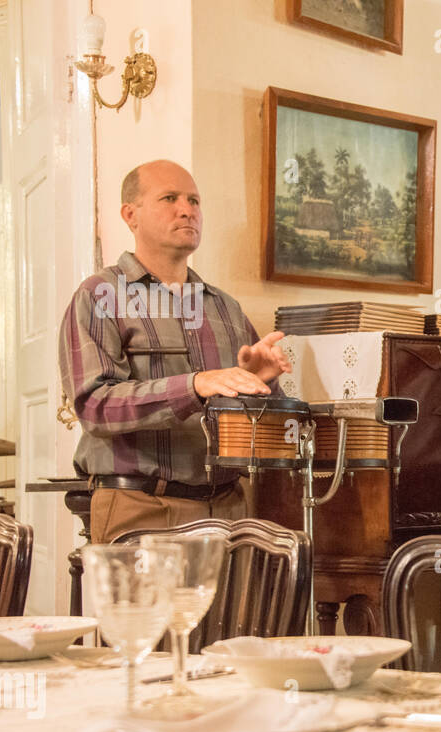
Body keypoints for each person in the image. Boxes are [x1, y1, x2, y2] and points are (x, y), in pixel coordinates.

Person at [59, 160, 291, 544]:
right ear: (130, 215)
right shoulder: (100, 296)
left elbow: (265, 431)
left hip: (230, 511)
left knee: (234, 609)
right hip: (142, 508)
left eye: (194, 201)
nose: (187, 210)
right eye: (170, 198)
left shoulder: (227, 309)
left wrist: (265, 385)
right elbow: (94, 406)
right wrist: (195, 385)